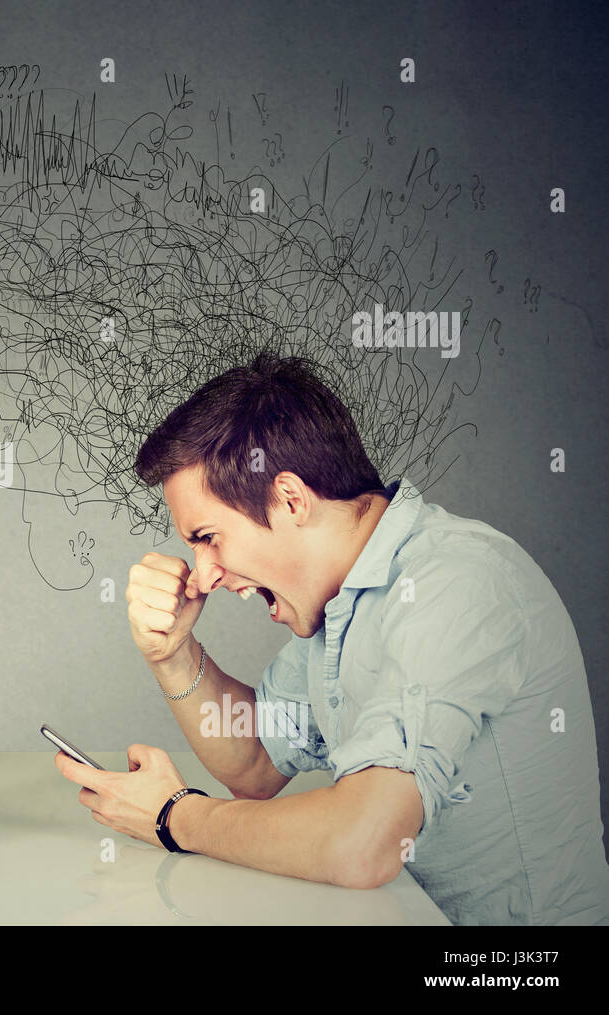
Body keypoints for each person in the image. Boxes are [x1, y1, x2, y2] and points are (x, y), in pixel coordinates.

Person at [54, 349, 609, 924]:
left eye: (208, 537)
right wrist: (173, 655)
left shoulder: (456, 583)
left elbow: (362, 845)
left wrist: (176, 818)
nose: (202, 575)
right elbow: (256, 763)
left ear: (291, 499)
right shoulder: (339, 600)